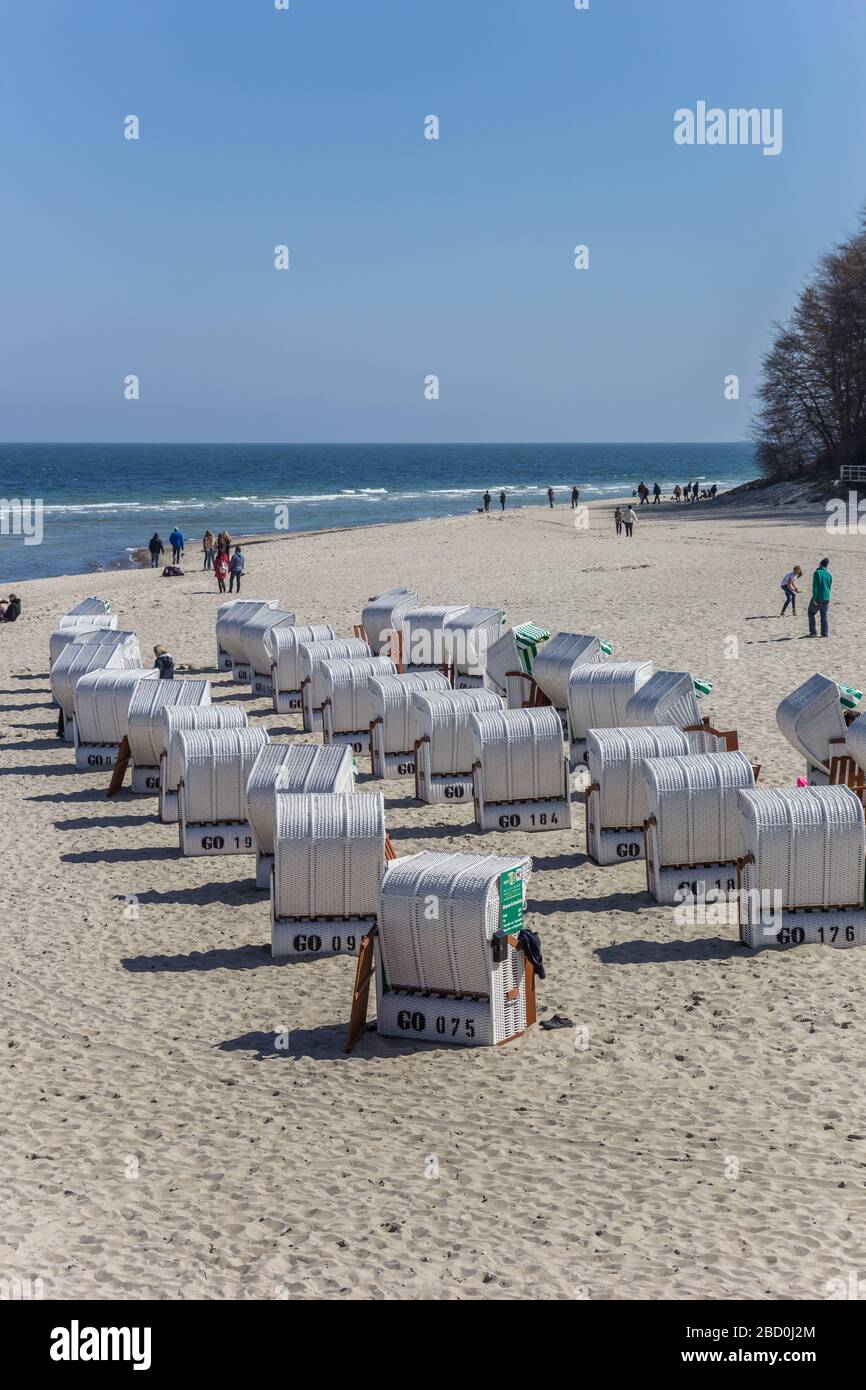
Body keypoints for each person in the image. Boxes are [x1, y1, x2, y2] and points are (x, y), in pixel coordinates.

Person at [808, 558, 832, 637]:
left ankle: (813, 632)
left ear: (820, 564)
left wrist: (814, 599)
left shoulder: (817, 572)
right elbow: (829, 586)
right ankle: (825, 633)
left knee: (811, 613)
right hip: (827, 598)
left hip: (819, 597)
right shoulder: (829, 574)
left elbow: (815, 587)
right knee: (824, 615)